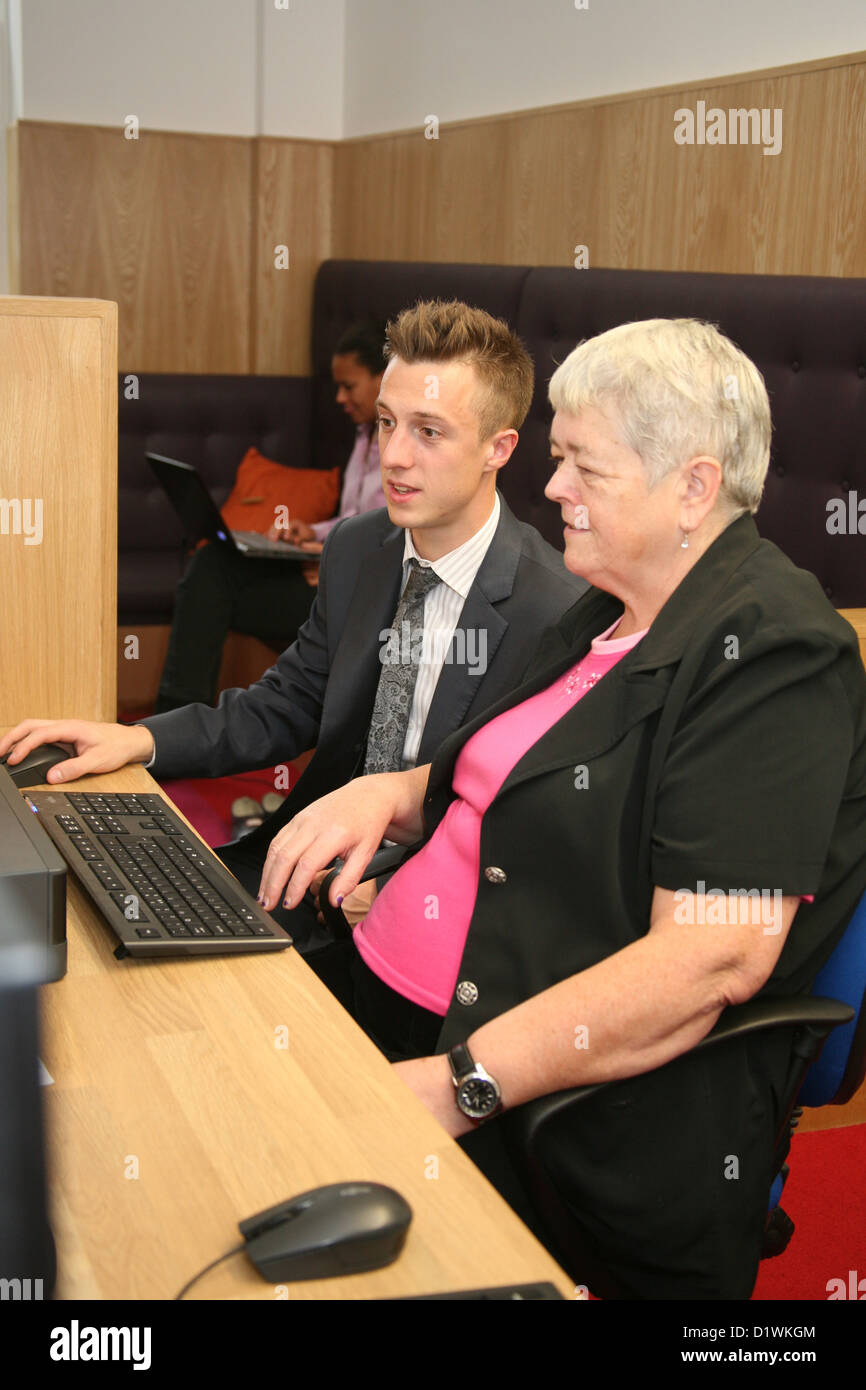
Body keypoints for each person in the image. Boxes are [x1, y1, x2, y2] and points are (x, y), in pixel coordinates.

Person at [251, 318, 866, 1299]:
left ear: (692, 488)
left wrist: (459, 1086)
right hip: (381, 992)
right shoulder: (608, 605)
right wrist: (396, 793)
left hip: (523, 1093)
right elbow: (497, 773)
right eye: (556, 458)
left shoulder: (774, 651)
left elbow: (710, 954)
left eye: (585, 466)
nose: (552, 489)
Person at [0, 301, 586, 954]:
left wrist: (397, 880)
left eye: (428, 432)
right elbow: (287, 703)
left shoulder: (557, 611)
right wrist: (136, 741)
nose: (394, 455)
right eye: (387, 423)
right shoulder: (360, 549)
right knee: (91, 927)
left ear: (497, 448)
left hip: (436, 907)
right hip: (309, 864)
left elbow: (519, 818)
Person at [153, 322, 389, 713]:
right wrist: (309, 532)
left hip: (351, 594)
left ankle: (175, 714)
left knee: (212, 584)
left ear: (383, 378)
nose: (339, 398)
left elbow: (388, 530)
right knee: (213, 563)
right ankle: (177, 715)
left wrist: (328, 551)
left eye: (349, 386)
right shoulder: (364, 436)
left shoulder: (400, 447)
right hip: (325, 571)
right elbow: (354, 516)